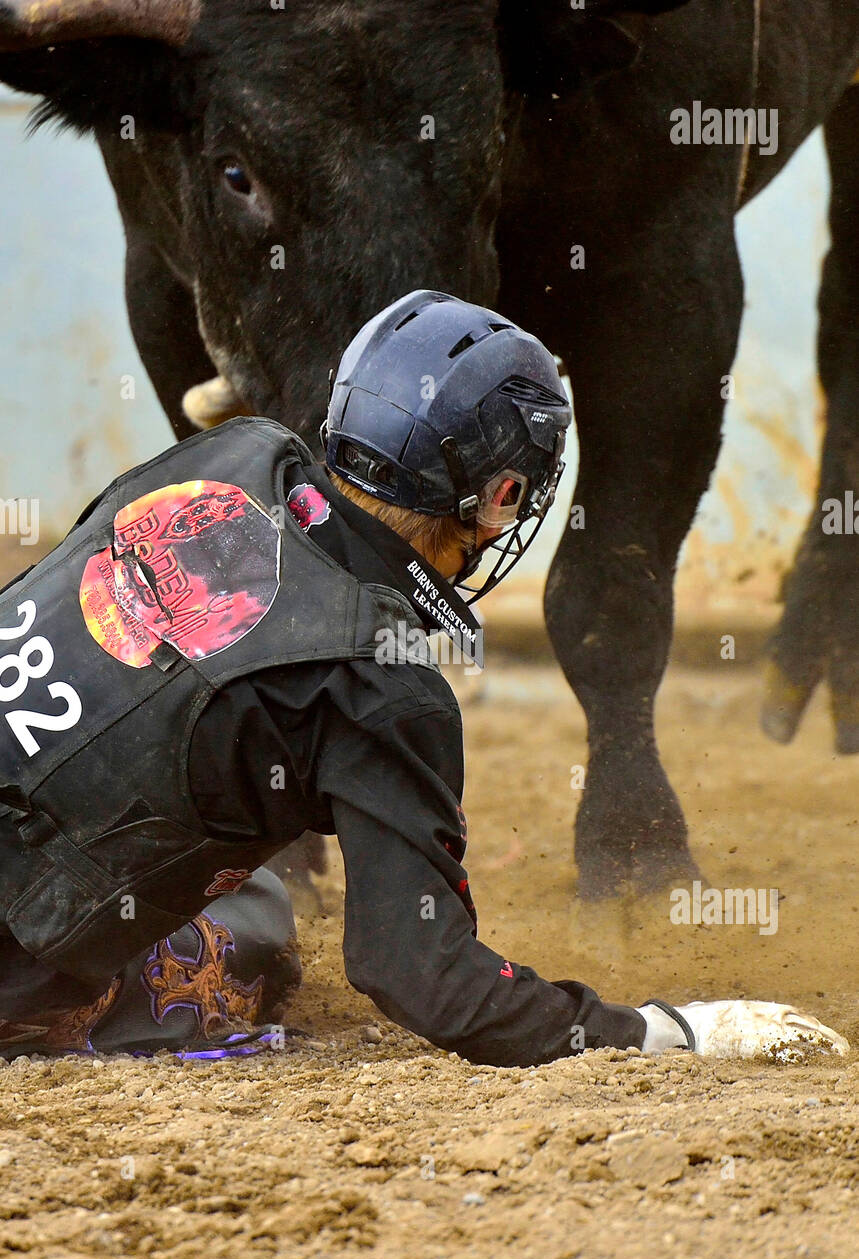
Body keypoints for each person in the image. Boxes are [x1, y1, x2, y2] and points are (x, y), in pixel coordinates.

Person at [0, 291, 847, 1064]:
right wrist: (670, 1030)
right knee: (253, 930)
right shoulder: (386, 688)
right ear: (503, 492)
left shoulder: (230, 451)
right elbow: (422, 977)